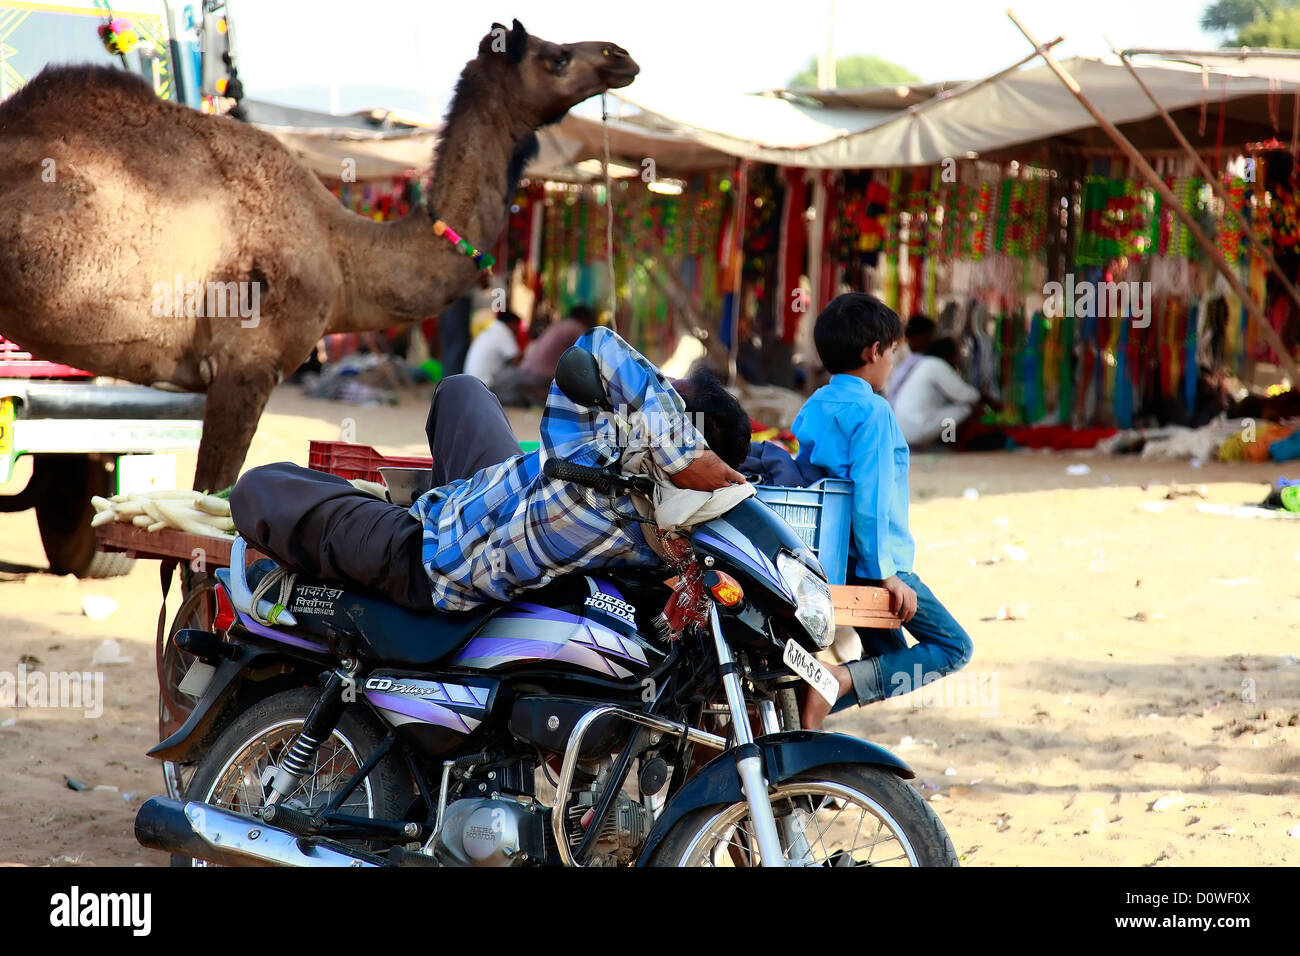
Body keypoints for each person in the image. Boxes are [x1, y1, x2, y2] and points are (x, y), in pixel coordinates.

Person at [232, 326, 751, 612]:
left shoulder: (600, 476)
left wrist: (687, 457)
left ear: (684, 453)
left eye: (669, 406)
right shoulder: (668, 532)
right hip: (500, 490)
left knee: (259, 487)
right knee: (463, 391)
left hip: (430, 552)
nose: (644, 406)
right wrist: (693, 464)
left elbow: (597, 348)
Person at [790, 293, 973, 729]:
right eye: (893, 352)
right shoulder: (873, 412)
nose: (893, 362)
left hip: (833, 561)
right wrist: (887, 574)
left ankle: (803, 718)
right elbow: (868, 500)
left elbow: (812, 480)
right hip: (877, 565)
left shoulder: (815, 404)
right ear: (874, 352)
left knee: (890, 661)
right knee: (953, 648)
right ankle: (829, 680)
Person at [493, 304, 598, 407]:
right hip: (541, 377)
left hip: (526, 372)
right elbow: (589, 355)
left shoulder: (559, 325)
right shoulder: (577, 327)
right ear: (584, 318)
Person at [891, 337, 982, 448]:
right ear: (948, 354)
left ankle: (947, 441)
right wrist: (984, 397)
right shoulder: (935, 364)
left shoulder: (923, 364)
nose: (957, 360)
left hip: (904, 430)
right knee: (966, 408)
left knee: (951, 409)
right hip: (916, 429)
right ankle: (950, 442)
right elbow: (966, 395)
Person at [884, 313, 936, 405]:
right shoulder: (899, 356)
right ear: (917, 337)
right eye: (928, 337)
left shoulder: (925, 356)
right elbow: (890, 388)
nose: (930, 341)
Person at [462, 311, 521, 388]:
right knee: (522, 373)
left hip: (471, 380)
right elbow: (516, 361)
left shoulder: (491, 329)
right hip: (485, 382)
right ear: (512, 323)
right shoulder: (503, 331)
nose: (517, 329)